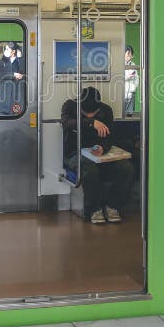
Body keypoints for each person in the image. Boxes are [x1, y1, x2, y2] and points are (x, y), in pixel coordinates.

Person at [61, 87, 134, 224]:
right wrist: (91, 122)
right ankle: (94, 209)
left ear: (99, 108)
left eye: (93, 114)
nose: (89, 115)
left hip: (100, 154)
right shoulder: (69, 106)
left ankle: (113, 206)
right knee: (89, 169)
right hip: (74, 154)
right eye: (85, 113)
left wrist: (102, 147)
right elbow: (66, 124)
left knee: (126, 168)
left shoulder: (106, 111)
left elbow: (109, 137)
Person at [0, 42, 25, 115]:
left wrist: (20, 58)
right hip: (4, 93)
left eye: (7, 49)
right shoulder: (3, 61)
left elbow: (22, 71)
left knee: (16, 113)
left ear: (14, 51)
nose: (5, 51)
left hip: (16, 93)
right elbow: (0, 75)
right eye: (5, 49)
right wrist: (13, 75)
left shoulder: (19, 60)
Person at [124, 45, 139, 116]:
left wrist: (134, 87)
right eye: (128, 55)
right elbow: (117, 76)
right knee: (120, 115)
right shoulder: (118, 64)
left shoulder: (133, 64)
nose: (130, 57)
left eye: (131, 55)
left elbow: (136, 78)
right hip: (121, 94)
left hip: (131, 93)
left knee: (130, 115)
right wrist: (127, 77)